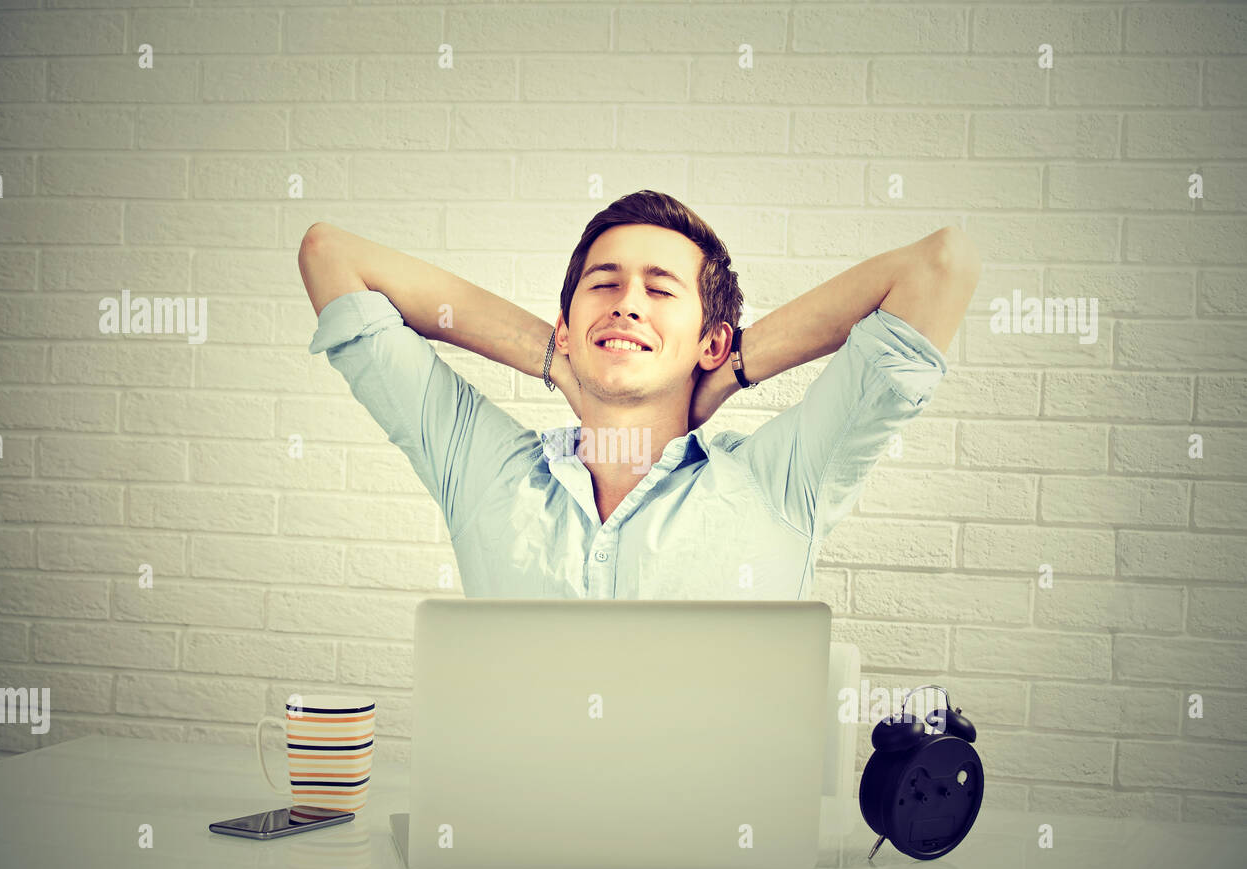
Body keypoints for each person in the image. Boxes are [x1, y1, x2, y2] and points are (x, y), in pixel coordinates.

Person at [300, 190, 980, 599]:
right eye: (603, 283)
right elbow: (331, 255)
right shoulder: (483, 471)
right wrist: (556, 356)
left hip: (720, 838)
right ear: (565, 326)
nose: (626, 303)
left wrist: (731, 367)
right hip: (513, 836)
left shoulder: (782, 481)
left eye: (659, 289)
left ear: (710, 339)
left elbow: (939, 266)